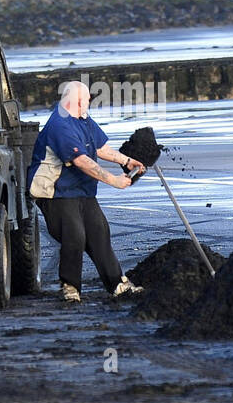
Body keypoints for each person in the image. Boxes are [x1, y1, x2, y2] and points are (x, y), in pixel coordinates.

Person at [26, 80, 145, 304]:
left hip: (81, 189)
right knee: (75, 236)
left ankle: (117, 284)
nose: (89, 104)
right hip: (56, 192)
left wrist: (126, 161)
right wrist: (114, 181)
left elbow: (100, 148)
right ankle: (70, 287)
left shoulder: (83, 119)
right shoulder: (59, 125)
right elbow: (81, 161)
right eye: (87, 101)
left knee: (99, 232)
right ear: (76, 101)